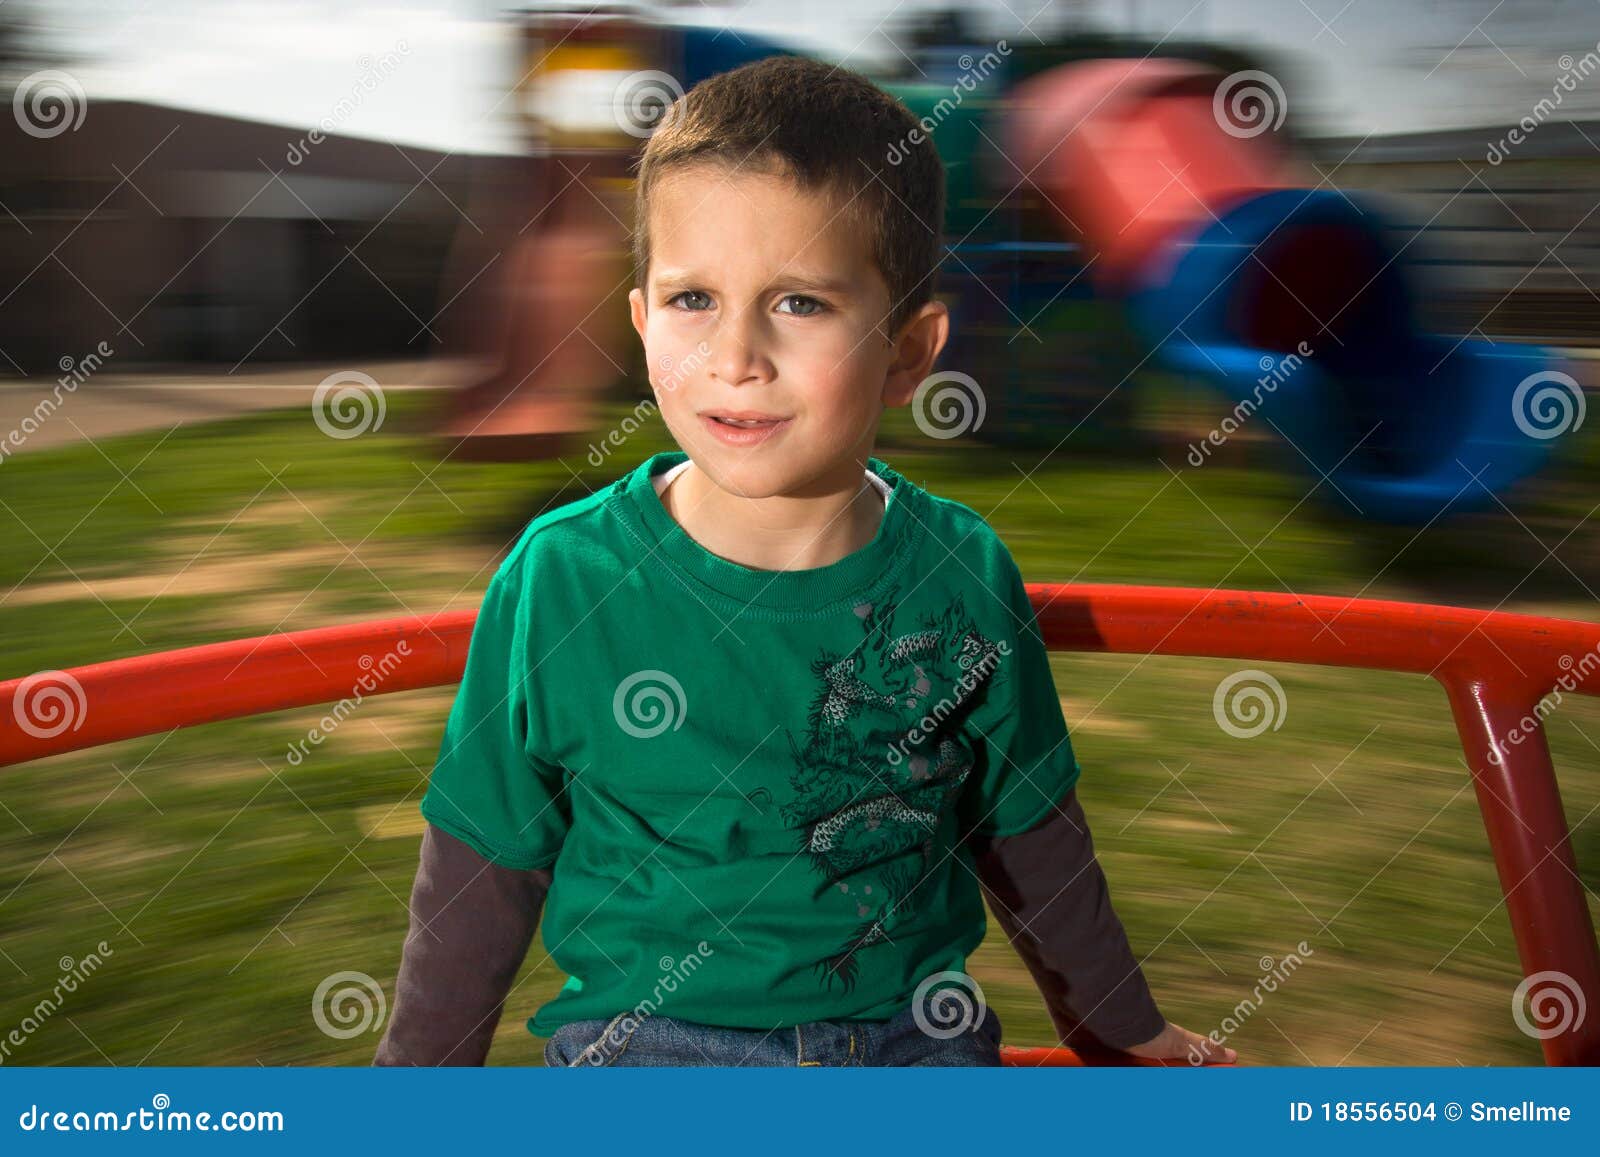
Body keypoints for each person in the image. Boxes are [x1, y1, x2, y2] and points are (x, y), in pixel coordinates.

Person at [375, 53, 1236, 1068]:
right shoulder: (562, 576)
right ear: (642, 320)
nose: (735, 355)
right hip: (653, 1050)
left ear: (910, 352)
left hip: (919, 1042)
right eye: (694, 299)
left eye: (799, 304)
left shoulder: (960, 569)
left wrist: (1123, 1029)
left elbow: (1032, 835)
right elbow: (483, 861)